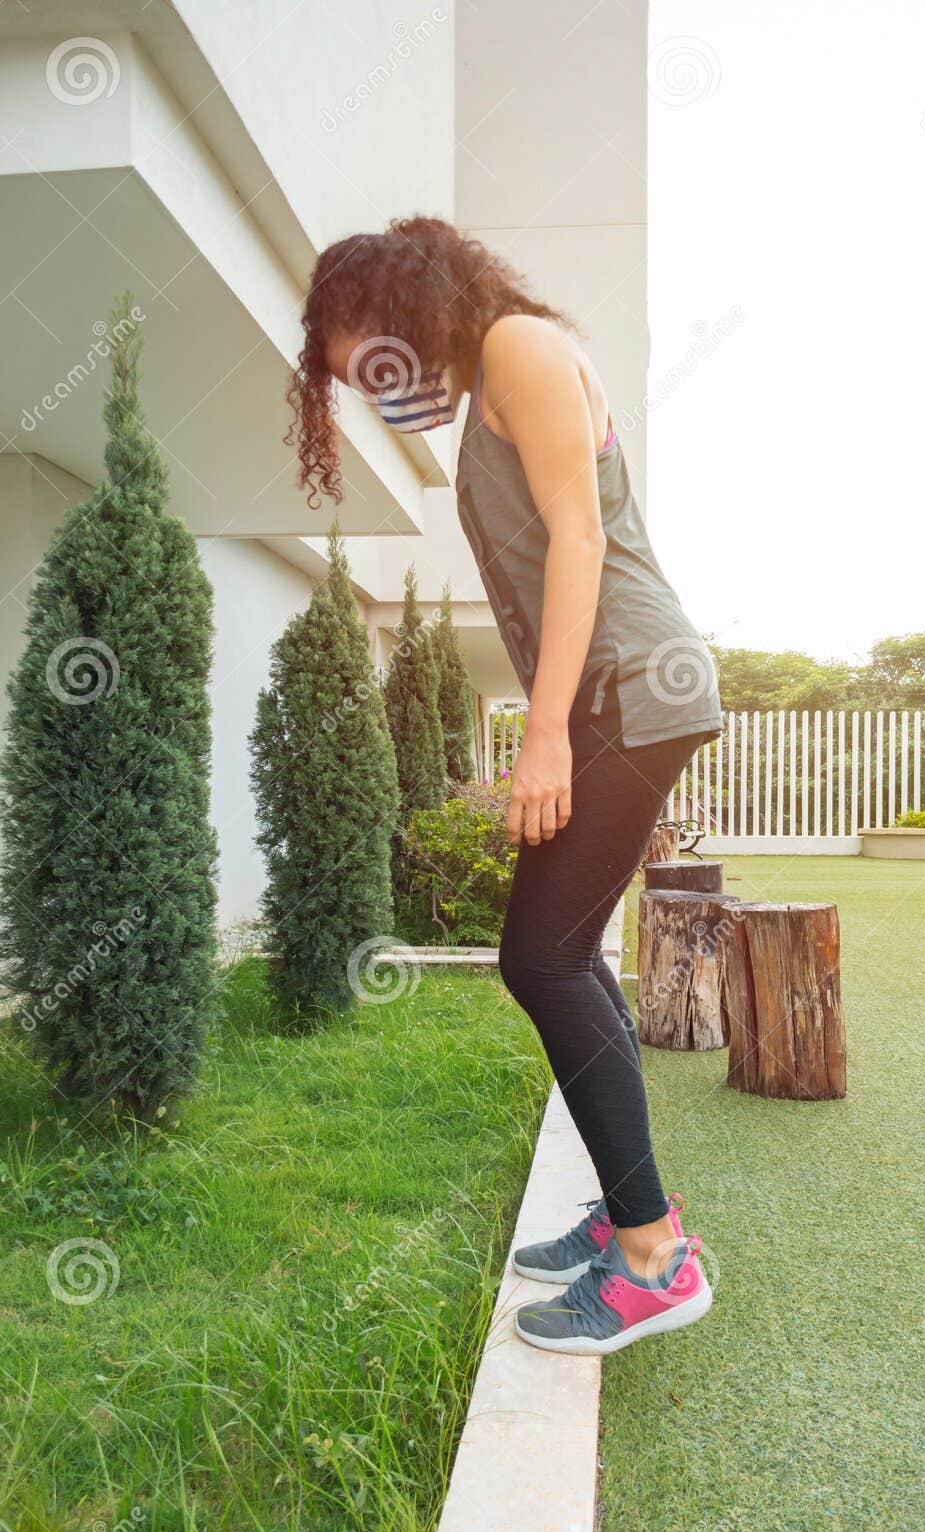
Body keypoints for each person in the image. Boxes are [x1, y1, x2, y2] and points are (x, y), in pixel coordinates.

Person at [288, 215, 722, 1355]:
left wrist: (545, 735)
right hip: (618, 694)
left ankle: (653, 1261)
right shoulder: (488, 381)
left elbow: (579, 540)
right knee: (562, 955)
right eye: (356, 384)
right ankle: (630, 1214)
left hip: (632, 687)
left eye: (373, 363)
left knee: (540, 958)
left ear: (406, 310)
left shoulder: (519, 346)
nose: (376, 392)